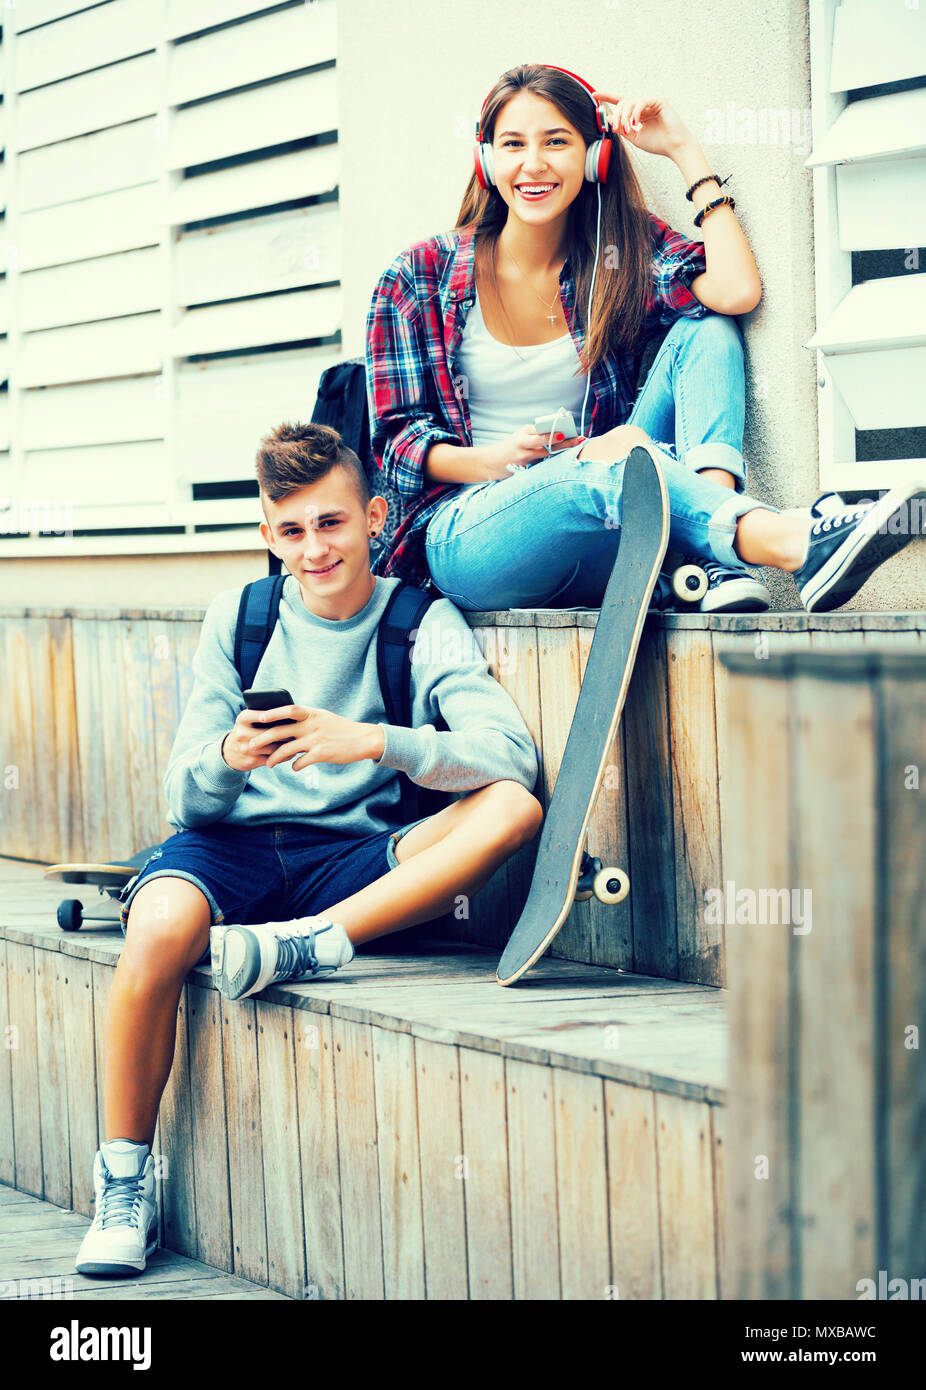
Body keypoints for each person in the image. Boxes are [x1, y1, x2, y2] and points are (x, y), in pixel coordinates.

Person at [75, 422, 542, 1277]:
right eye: (290, 530)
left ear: (373, 516)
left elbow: (510, 757)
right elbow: (180, 793)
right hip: (232, 849)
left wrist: (372, 741)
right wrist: (227, 758)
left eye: (330, 523)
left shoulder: (418, 619)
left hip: (352, 863)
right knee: (156, 929)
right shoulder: (243, 617)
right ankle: (124, 1184)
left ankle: (315, 943)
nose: (313, 548)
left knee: (511, 808)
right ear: (267, 535)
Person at [366, 63, 925, 616]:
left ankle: (714, 561)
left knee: (705, 325)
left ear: (594, 156)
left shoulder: (618, 254)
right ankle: (792, 543)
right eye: (512, 144)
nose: (532, 164)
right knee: (605, 461)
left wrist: (683, 149)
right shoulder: (419, 275)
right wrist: (492, 461)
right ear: (487, 159)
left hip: (605, 514)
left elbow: (734, 291)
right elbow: (394, 445)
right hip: (472, 542)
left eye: (556, 142)